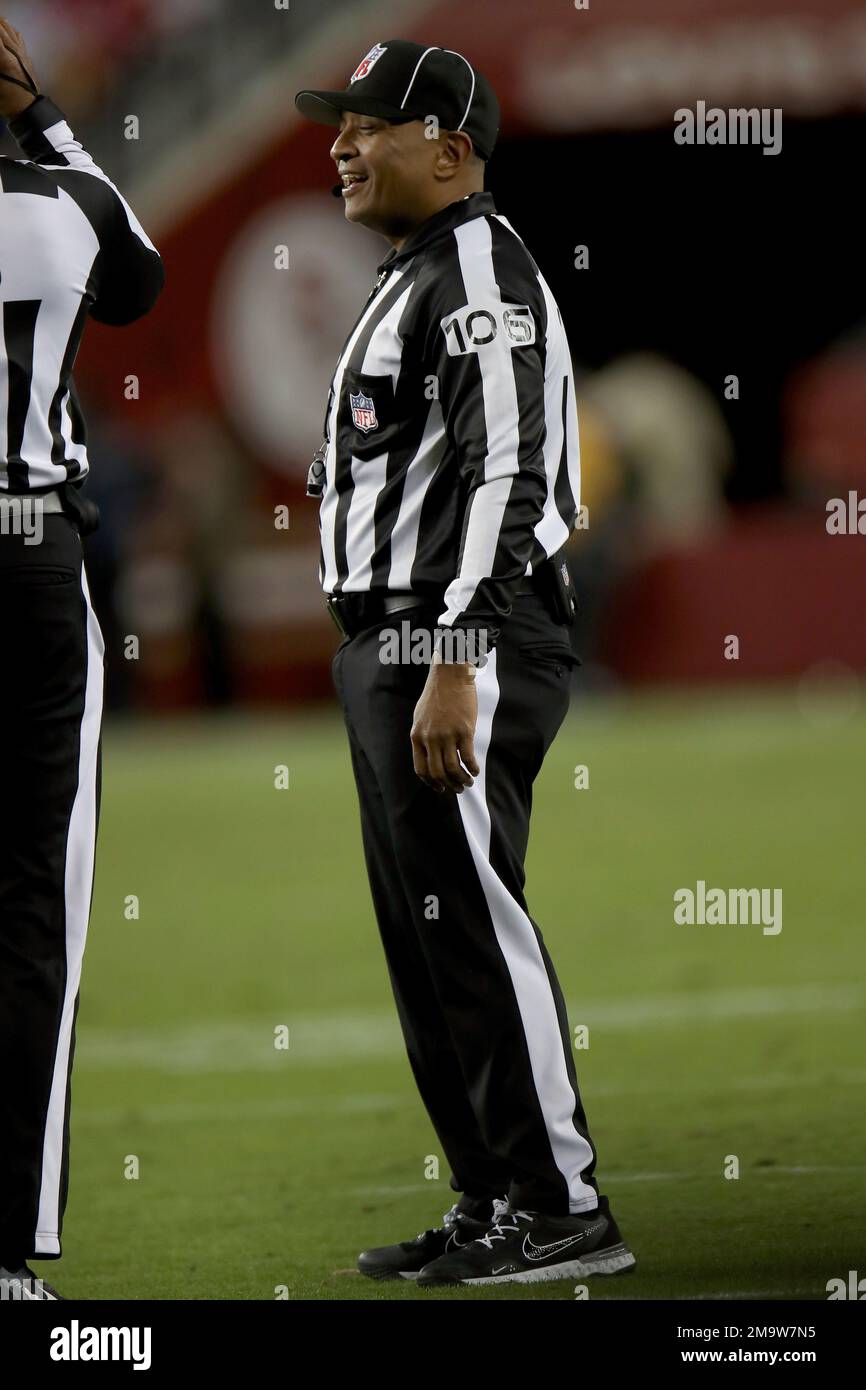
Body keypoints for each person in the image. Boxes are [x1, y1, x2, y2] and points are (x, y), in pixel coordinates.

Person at [295, 39, 635, 1286]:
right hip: (395, 641)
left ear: (446, 147)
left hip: (453, 635)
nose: (340, 144)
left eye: (366, 124)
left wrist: (450, 651)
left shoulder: (476, 267)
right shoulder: (416, 270)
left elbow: (508, 471)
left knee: (473, 921)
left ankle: (561, 1204)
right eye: (337, 124)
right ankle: (493, 1193)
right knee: (427, 934)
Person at [0, 16, 163, 1299]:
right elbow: (141, 275)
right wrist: (38, 106)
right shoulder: (67, 202)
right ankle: (6, 1250)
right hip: (29, 557)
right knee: (31, 908)